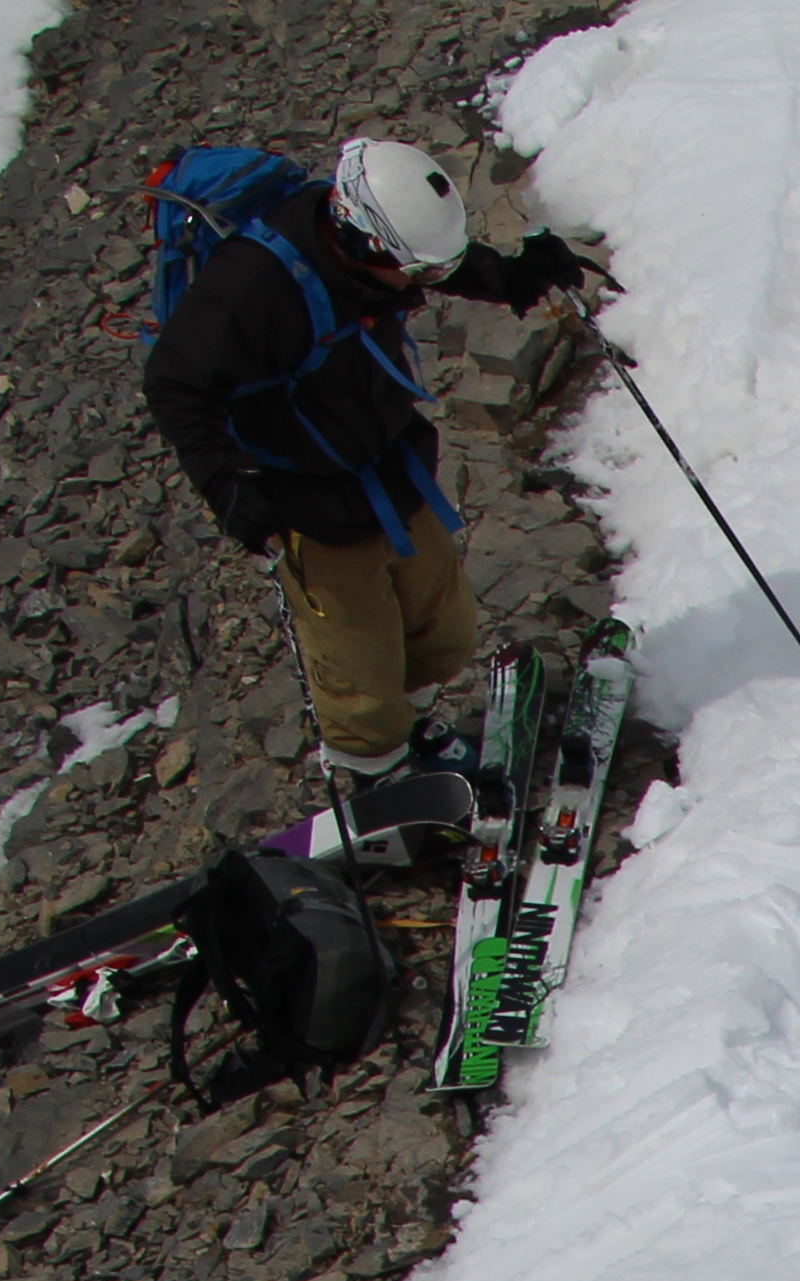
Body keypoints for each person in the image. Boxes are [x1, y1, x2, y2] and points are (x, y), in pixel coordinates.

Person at [143, 138, 590, 822]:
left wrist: (509, 278)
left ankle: (403, 731)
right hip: (308, 495)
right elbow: (174, 381)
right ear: (362, 242)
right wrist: (227, 486)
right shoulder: (249, 287)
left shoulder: (372, 240)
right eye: (414, 270)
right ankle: (379, 774)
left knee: (444, 632)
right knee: (357, 667)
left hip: (390, 460)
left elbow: (430, 267)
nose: (422, 286)